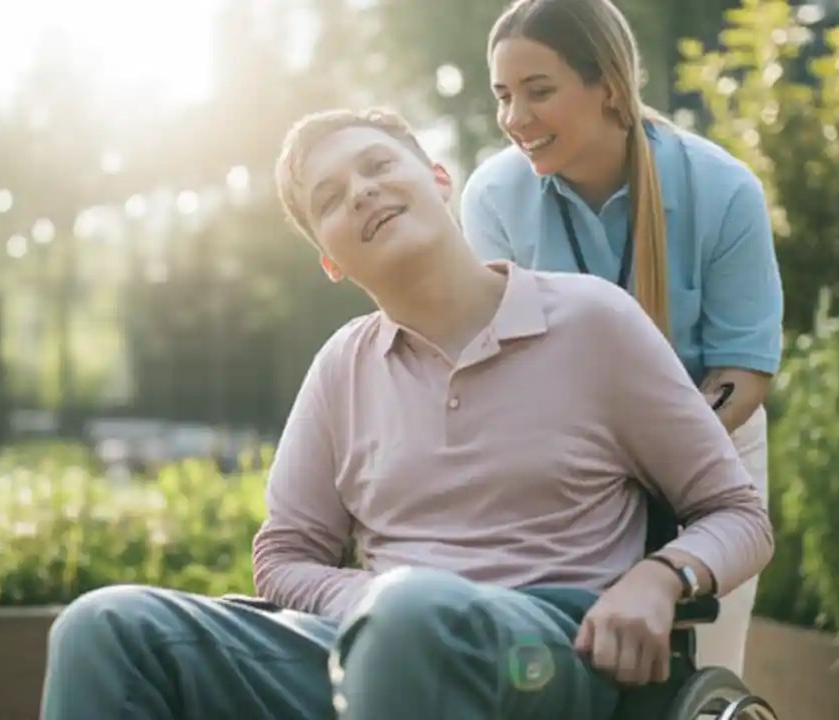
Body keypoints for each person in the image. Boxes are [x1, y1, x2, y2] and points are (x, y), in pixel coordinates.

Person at [38, 107, 773, 720]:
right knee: (104, 627)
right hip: (366, 646)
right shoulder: (341, 368)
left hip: (548, 653)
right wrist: (368, 599)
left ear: (438, 179)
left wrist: (661, 577)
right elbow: (284, 556)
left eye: (378, 167)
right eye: (329, 199)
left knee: (413, 617)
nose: (359, 192)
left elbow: (736, 512)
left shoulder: (593, 321)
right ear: (329, 260)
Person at [459, 0, 784, 676]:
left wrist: (661, 452)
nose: (515, 118)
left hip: (709, 445)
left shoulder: (723, 191)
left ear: (607, 83)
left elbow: (742, 373)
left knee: (705, 667)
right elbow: (501, 366)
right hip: (567, 461)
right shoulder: (492, 198)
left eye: (538, 91)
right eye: (503, 96)